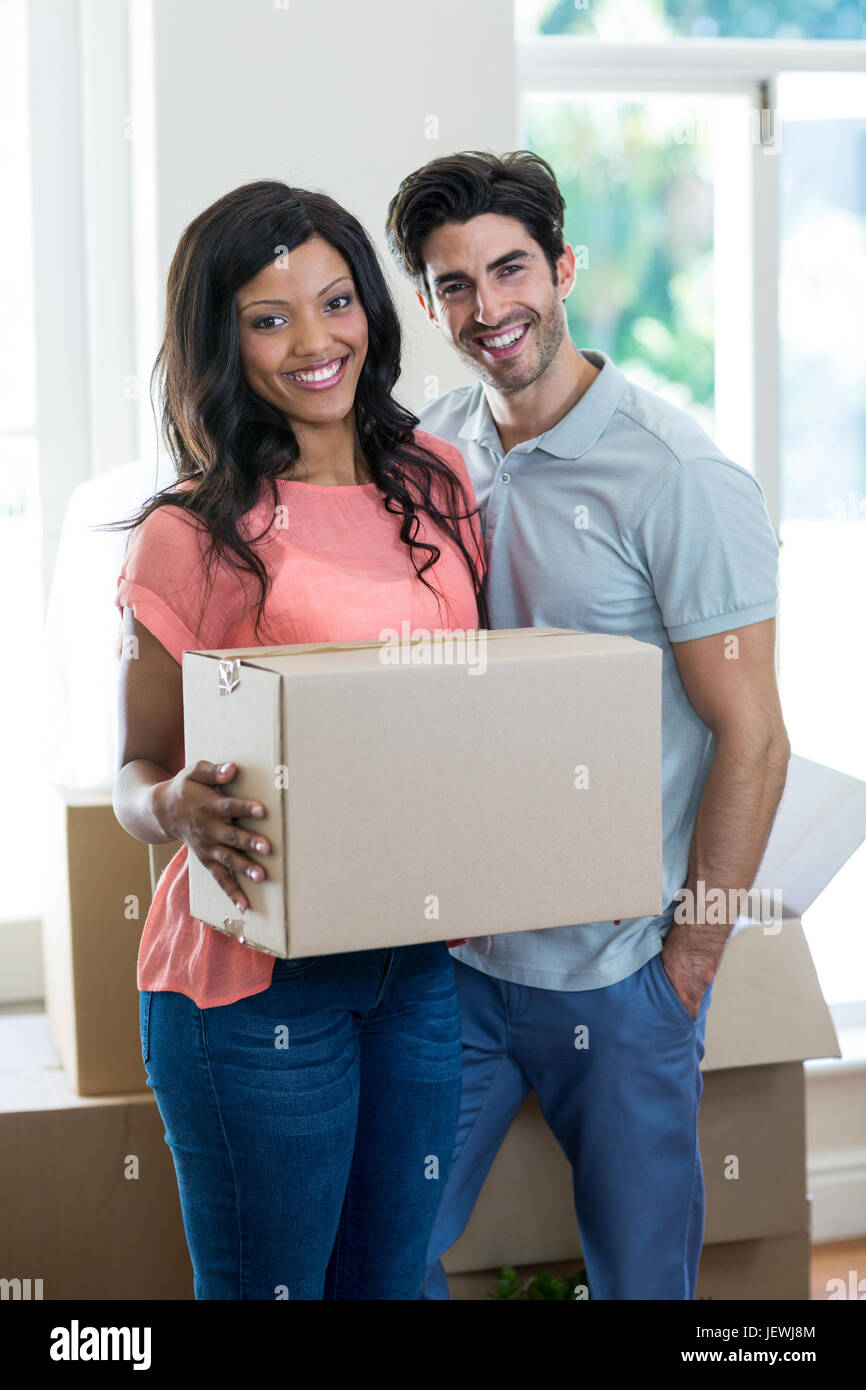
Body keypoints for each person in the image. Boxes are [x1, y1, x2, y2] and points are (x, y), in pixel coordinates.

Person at [385, 149, 791, 1300]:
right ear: (426, 304)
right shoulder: (433, 449)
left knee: (639, 1282)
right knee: (377, 1255)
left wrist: (689, 961)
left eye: (508, 268)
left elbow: (750, 736)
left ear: (560, 267)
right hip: (454, 961)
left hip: (619, 973)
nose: (486, 307)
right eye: (451, 283)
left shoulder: (675, 478)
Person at [109, 179, 490, 1300]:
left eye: (335, 302)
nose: (315, 342)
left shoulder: (437, 483)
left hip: (414, 968)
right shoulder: (191, 530)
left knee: (394, 1282)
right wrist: (171, 804)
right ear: (223, 341)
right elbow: (132, 773)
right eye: (270, 318)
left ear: (371, 306)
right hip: (249, 987)